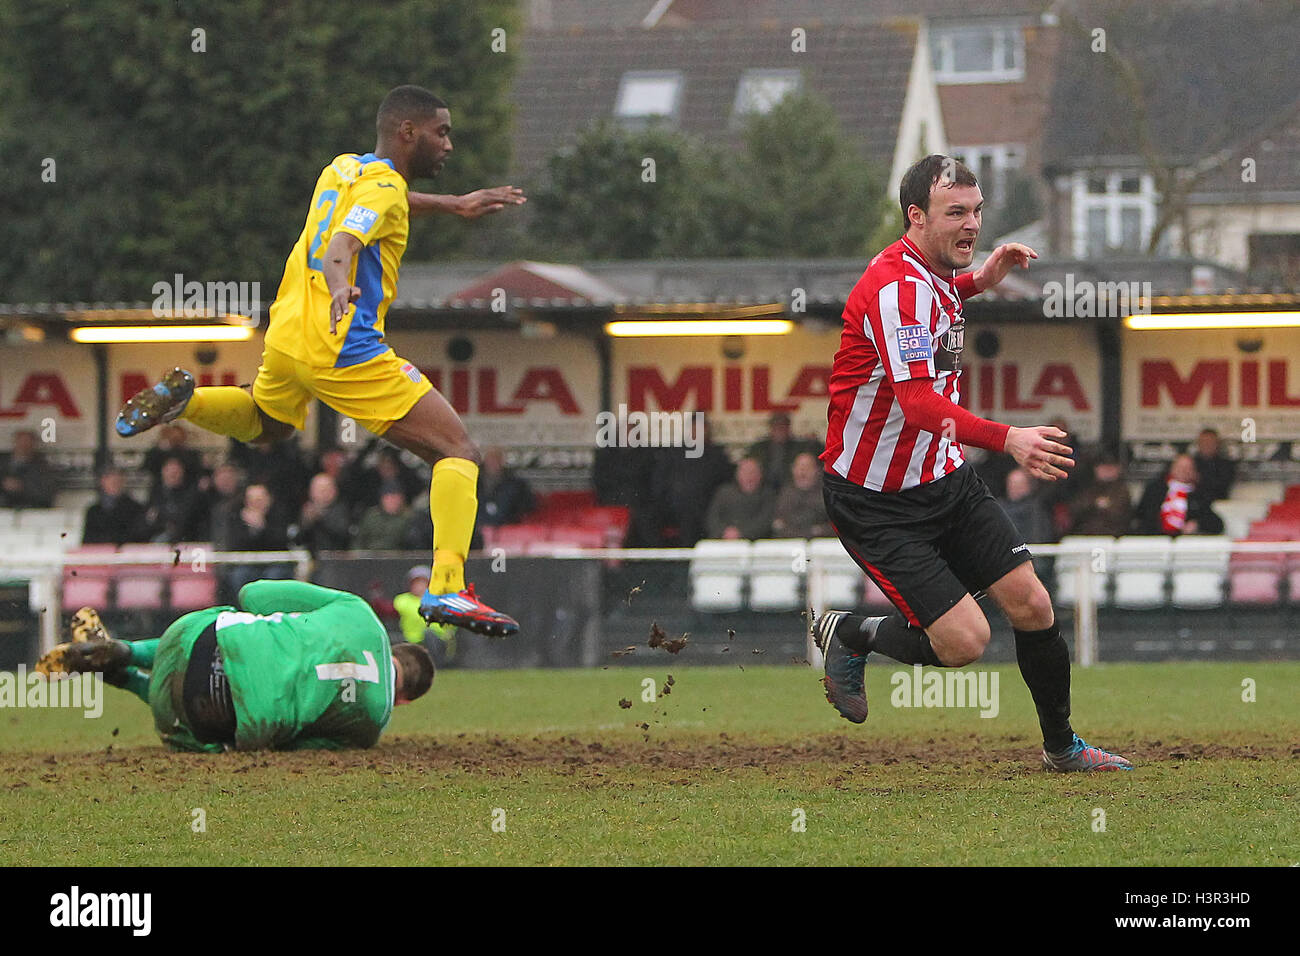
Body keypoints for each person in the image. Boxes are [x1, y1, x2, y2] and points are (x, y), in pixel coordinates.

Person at [114, 85, 525, 637]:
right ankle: (448, 586)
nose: (448, 144)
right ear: (408, 132)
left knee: (267, 425)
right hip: (343, 342)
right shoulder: (381, 190)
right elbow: (344, 244)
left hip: (286, 335)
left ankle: (187, 400)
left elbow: (377, 205)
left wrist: (453, 204)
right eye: (441, 131)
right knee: (457, 451)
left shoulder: (341, 169)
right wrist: (339, 284)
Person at [813, 154, 1131, 772]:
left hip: (945, 480)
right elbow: (917, 402)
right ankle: (853, 633)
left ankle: (1062, 749)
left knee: (1034, 604)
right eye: (955, 212)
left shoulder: (929, 273)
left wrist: (982, 277)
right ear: (916, 217)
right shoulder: (893, 289)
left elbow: (939, 298)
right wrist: (1008, 438)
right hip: (876, 501)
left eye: (977, 210)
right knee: (964, 644)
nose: (972, 223)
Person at [36, 587, 434, 752]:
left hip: (195, 640)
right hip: (204, 717)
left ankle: (126, 652)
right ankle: (121, 679)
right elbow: (295, 746)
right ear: (404, 699)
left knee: (230, 624)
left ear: (393, 646)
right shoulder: (369, 730)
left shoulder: (359, 612)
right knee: (219, 733)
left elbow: (253, 593)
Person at [1133, 454, 1224, 536]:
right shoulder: (1154, 489)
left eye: (1188, 468)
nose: (1184, 471)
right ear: (1171, 469)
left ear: (1194, 472)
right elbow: (1139, 516)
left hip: (1185, 544)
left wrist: (1197, 524)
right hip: (1155, 542)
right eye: (1180, 467)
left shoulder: (1199, 494)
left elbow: (1216, 524)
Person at [392, 565, 457, 664]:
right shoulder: (402, 600)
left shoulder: (441, 600)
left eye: (423, 582)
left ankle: (436, 664)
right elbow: (389, 611)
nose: (419, 586)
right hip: (413, 642)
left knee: (429, 634)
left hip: (437, 641)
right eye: (416, 583)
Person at [746, 412, 821, 494]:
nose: (779, 430)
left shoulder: (799, 447)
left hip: (793, 491)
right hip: (763, 491)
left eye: (783, 427)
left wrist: (814, 443)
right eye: (776, 427)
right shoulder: (759, 448)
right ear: (771, 428)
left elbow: (818, 456)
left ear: (789, 428)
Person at [704, 457, 774, 540]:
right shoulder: (724, 493)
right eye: (745, 472)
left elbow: (765, 521)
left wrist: (741, 533)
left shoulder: (768, 495)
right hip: (723, 542)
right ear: (737, 475)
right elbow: (712, 518)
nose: (749, 476)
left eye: (752, 472)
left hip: (755, 544)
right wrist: (724, 532)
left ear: (760, 475)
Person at [1065, 452, 1132, 535]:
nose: (1107, 470)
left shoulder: (1122, 490)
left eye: (1111, 467)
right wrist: (1094, 504)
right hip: (1085, 536)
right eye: (1103, 466)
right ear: (1095, 468)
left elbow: (1121, 514)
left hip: (1115, 537)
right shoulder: (1085, 488)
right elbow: (1075, 509)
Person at [771, 452, 833, 538]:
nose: (803, 471)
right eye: (800, 467)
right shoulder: (785, 494)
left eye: (808, 467)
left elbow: (834, 526)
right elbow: (778, 524)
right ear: (793, 470)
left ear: (816, 470)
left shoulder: (828, 494)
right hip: (790, 542)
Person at [82, 466, 149, 546]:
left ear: (123, 482)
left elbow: (138, 537)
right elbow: (87, 541)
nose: (115, 483)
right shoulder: (93, 511)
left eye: (118, 480)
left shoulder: (135, 508)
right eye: (111, 480)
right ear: (102, 481)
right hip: (99, 554)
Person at [1, 429, 56, 508]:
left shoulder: (43, 467)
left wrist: (22, 487)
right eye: (21, 441)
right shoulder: (3, 463)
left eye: (27, 442)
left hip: (31, 510)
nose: (24, 445)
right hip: (4, 510)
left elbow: (47, 493)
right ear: (15, 442)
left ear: (34, 445)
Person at [353, 482, 412, 550]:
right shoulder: (371, 516)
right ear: (382, 499)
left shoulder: (408, 518)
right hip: (370, 556)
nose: (391, 501)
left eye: (395, 497)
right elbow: (359, 540)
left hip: (396, 557)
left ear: (402, 499)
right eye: (388, 498)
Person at [1191, 427, 1236, 502]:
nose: (1207, 445)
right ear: (1198, 444)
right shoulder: (1190, 463)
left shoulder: (1226, 465)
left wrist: (1199, 479)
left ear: (1217, 444)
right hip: (1194, 506)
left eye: (1210, 442)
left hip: (1219, 505)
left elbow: (1222, 486)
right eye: (1204, 442)